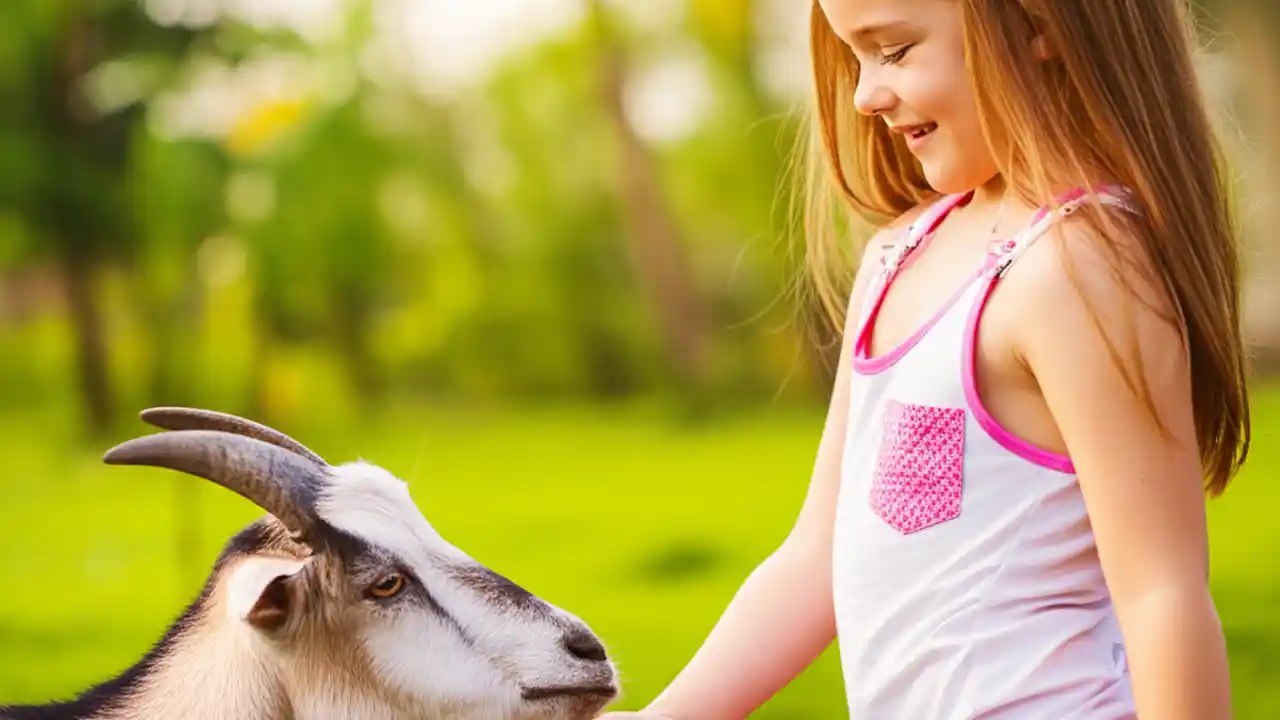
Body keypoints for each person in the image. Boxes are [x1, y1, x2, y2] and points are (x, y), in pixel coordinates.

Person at [598, 0, 1249, 717]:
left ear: (1040, 27)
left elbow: (1162, 591)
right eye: (856, 57)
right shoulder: (895, 260)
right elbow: (818, 559)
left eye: (897, 51)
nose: (864, 94)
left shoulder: (1076, 267)